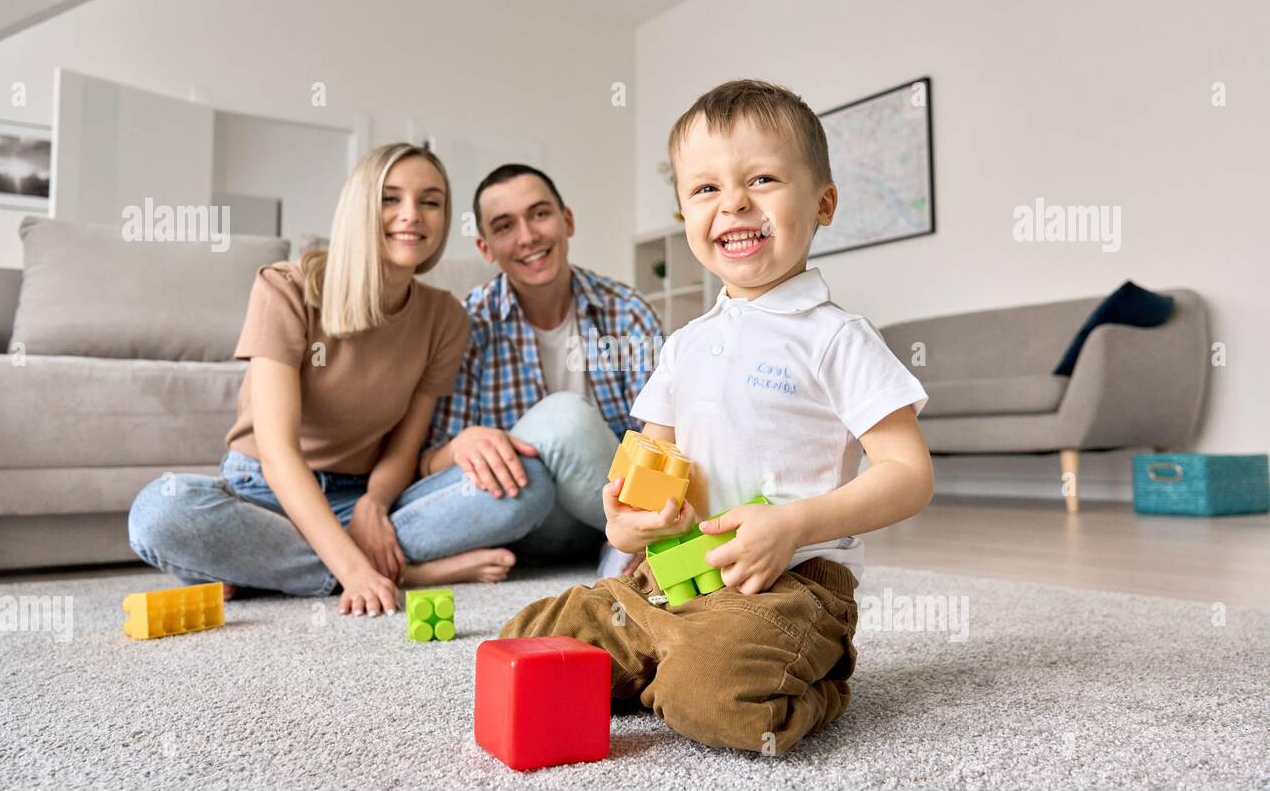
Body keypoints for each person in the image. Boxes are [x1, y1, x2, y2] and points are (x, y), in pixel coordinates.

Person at [498, 80, 935, 754]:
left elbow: (909, 474)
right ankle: (667, 652)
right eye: (705, 189)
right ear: (684, 213)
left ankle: (814, 676)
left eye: (761, 179)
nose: (733, 202)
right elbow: (648, 463)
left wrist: (793, 525)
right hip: (667, 575)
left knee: (713, 701)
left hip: (787, 587)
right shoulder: (685, 344)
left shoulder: (836, 337)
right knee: (531, 639)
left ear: (823, 203)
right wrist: (623, 520)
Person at [128, 143, 555, 617]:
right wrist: (354, 572)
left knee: (528, 483)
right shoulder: (286, 287)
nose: (411, 215)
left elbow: (403, 447)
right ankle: (402, 572)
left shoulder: (445, 317)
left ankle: (274, 569)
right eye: (390, 198)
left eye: (430, 201)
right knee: (159, 513)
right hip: (264, 495)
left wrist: (374, 502)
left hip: (364, 498)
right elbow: (278, 454)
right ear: (359, 208)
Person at [421, 164, 664, 571]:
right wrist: (459, 445)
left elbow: (660, 439)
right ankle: (643, 546)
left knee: (571, 422)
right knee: (555, 432)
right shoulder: (469, 325)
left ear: (566, 221)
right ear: (485, 248)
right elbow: (429, 471)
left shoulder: (626, 312)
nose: (528, 236)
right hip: (526, 518)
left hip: (606, 507)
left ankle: (629, 555)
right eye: (504, 226)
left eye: (539, 214)